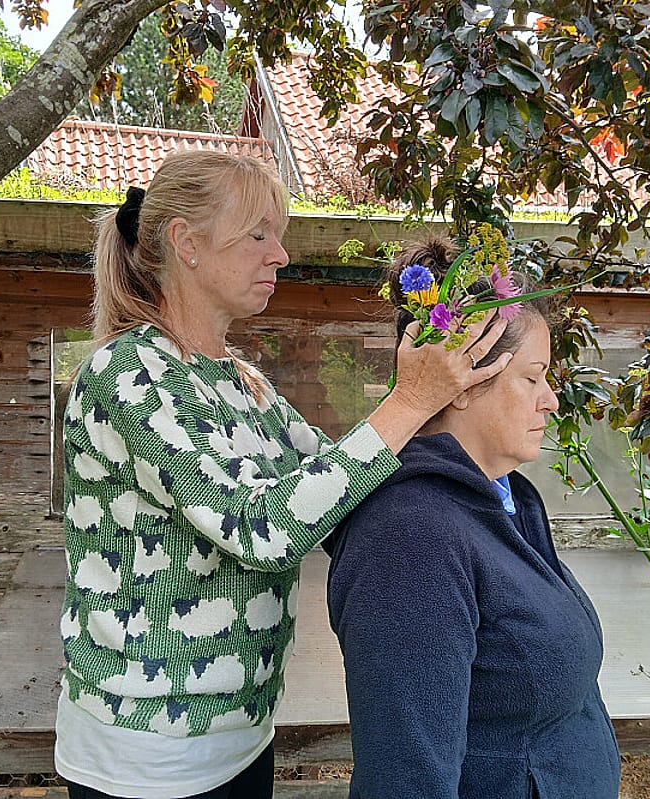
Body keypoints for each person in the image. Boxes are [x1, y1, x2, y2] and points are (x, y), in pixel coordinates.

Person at [55, 152, 511, 799]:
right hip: (145, 758)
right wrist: (408, 400)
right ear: (185, 242)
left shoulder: (244, 384)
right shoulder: (128, 375)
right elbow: (259, 526)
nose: (281, 254)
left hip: (242, 738)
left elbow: (336, 492)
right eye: (259, 234)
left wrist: (466, 463)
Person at [323, 238, 621, 799]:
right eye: (532, 377)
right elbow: (405, 777)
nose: (551, 400)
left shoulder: (503, 500)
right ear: (461, 387)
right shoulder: (411, 540)